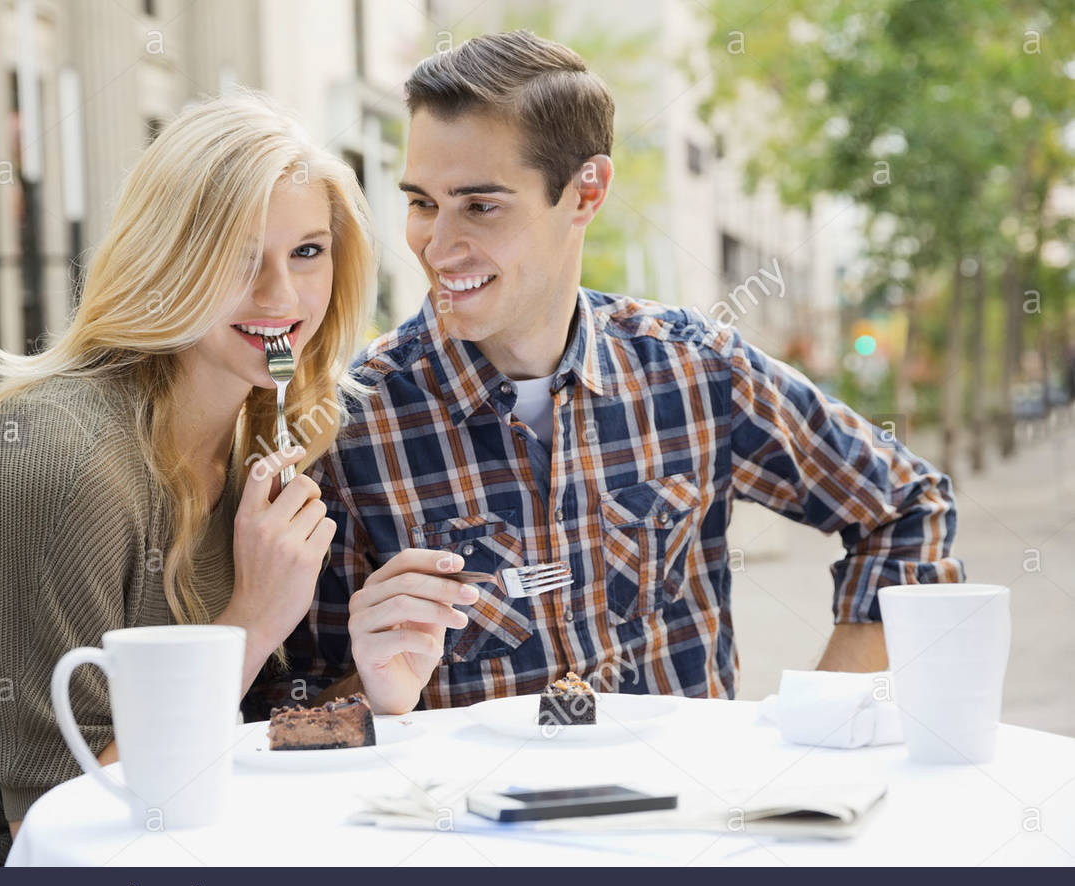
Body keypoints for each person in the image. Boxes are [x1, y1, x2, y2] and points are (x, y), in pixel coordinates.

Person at [242, 31, 964, 720]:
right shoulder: (348, 426)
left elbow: (906, 511)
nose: (438, 245)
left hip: (682, 836)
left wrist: (820, 725)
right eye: (422, 203)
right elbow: (283, 720)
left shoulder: (696, 371)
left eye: (480, 205)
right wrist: (367, 685)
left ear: (586, 192)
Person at [0, 93, 376, 866]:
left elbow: (231, 739)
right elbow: (60, 819)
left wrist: (378, 685)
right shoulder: (63, 459)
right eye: (236, 255)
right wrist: (252, 621)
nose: (281, 297)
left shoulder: (257, 442)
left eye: (307, 252)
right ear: (165, 261)